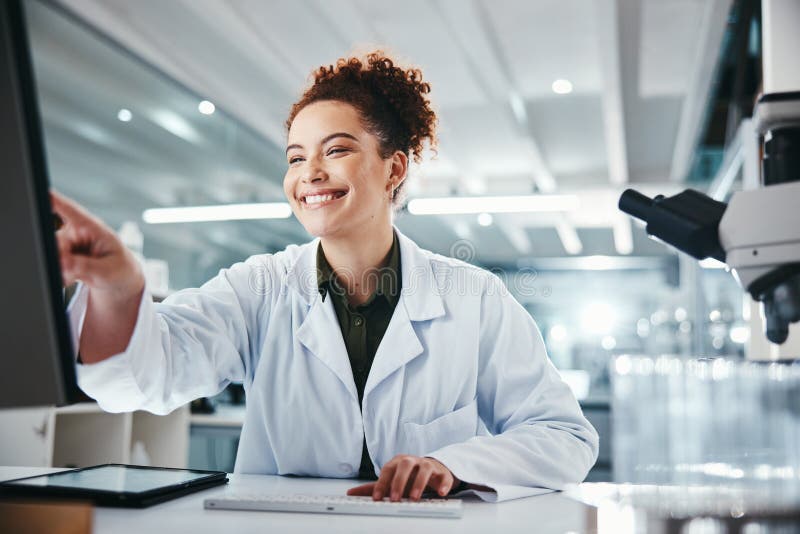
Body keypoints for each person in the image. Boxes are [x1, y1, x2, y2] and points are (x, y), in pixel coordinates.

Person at [54, 51, 598, 503]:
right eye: (295, 157)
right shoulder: (257, 288)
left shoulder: (473, 298)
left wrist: (450, 464)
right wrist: (120, 291)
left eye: (335, 150)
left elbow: (565, 437)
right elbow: (144, 377)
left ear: (395, 168)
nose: (308, 173)